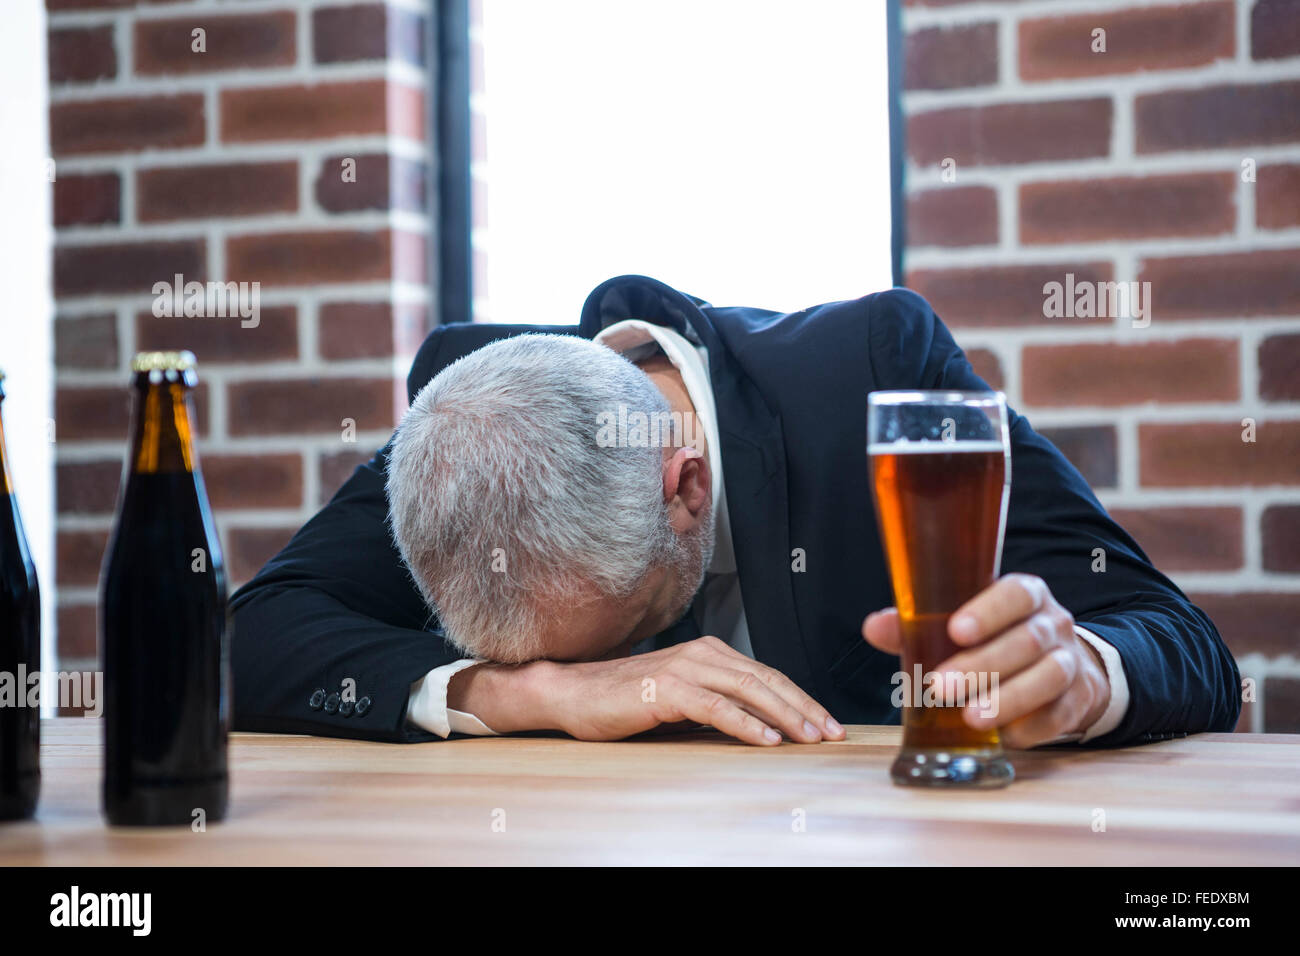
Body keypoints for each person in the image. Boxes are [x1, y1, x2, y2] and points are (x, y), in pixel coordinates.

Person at [230, 274, 1241, 748]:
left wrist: (1082, 676)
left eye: (608, 636)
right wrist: (528, 693)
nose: (599, 673)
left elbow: (1188, 643)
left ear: (685, 487)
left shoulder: (872, 375)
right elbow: (242, 638)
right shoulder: (471, 406)